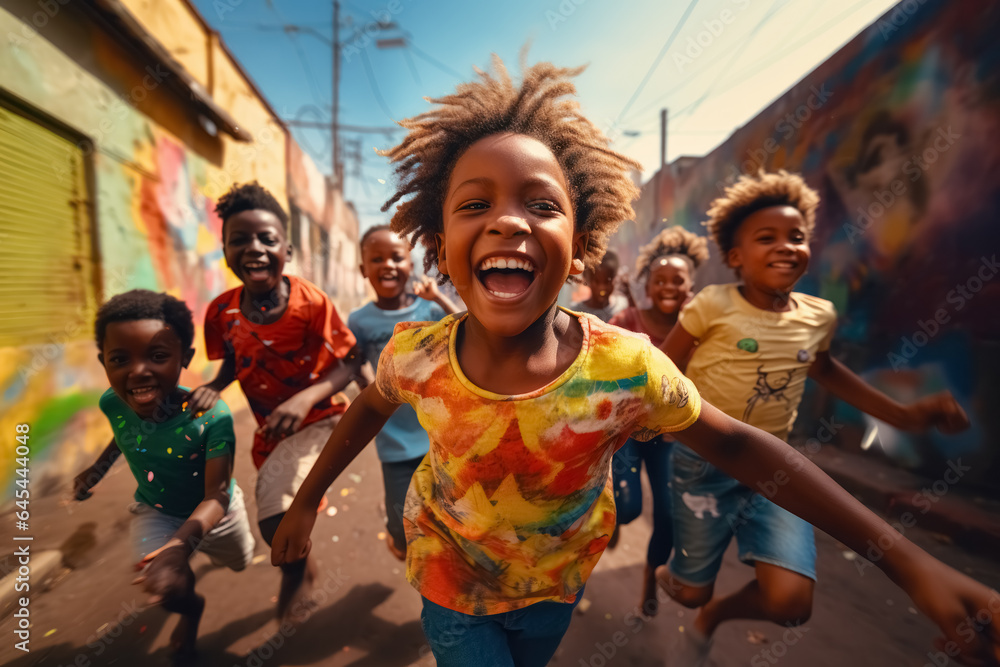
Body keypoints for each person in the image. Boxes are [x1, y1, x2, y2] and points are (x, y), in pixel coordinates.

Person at [270, 59, 999, 667]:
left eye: (541, 203)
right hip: (449, 579)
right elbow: (368, 406)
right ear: (439, 239)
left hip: (557, 583)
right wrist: (305, 500)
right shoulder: (417, 354)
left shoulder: (626, 366)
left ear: (581, 241)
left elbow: (742, 443)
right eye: (474, 204)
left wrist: (909, 561)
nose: (507, 219)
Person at [658, 169, 975, 665]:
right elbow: (661, 368)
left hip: (778, 472)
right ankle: (679, 584)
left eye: (797, 237)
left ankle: (712, 617)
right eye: (767, 238)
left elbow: (827, 370)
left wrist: (907, 415)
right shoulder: (710, 305)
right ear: (735, 257)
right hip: (703, 465)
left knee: (790, 604)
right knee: (687, 590)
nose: (786, 246)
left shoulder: (818, 316)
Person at [187, 182, 361, 623]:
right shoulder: (221, 312)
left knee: (275, 517)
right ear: (225, 249)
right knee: (283, 508)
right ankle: (303, 560)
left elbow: (350, 362)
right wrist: (216, 385)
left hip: (320, 419)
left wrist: (305, 399)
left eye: (267, 239)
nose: (255, 249)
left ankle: (295, 575)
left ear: (287, 247)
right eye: (239, 239)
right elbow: (232, 361)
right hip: (271, 431)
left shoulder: (310, 303)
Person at [73, 290, 255, 660]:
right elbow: (122, 436)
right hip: (157, 510)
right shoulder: (112, 401)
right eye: (120, 358)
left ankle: (198, 557)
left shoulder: (211, 417)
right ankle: (191, 612)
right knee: (168, 585)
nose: (138, 371)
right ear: (103, 361)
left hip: (217, 517)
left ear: (184, 358)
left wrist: (179, 545)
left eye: (157, 356)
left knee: (239, 562)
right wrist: (97, 469)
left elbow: (216, 495)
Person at [607, 226, 709, 615]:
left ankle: (650, 577)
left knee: (667, 515)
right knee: (629, 508)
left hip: (670, 437)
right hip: (629, 432)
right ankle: (614, 521)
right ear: (648, 284)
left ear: (690, 286)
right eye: (659, 279)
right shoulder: (626, 318)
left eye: (677, 280)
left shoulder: (699, 326)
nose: (668, 286)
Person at [347, 224, 459, 561]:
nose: (388, 265)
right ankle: (395, 532)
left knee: (449, 519)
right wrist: (372, 389)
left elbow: (469, 329)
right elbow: (353, 362)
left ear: (410, 265)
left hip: (441, 436)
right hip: (394, 440)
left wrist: (438, 297)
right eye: (377, 259)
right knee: (400, 527)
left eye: (397, 257)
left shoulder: (430, 311)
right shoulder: (359, 320)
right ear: (363, 269)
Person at [570, 248, 627, 321]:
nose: (602, 288)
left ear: (615, 279)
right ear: (588, 280)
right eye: (596, 282)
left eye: (607, 281)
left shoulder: (622, 308)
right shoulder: (577, 312)